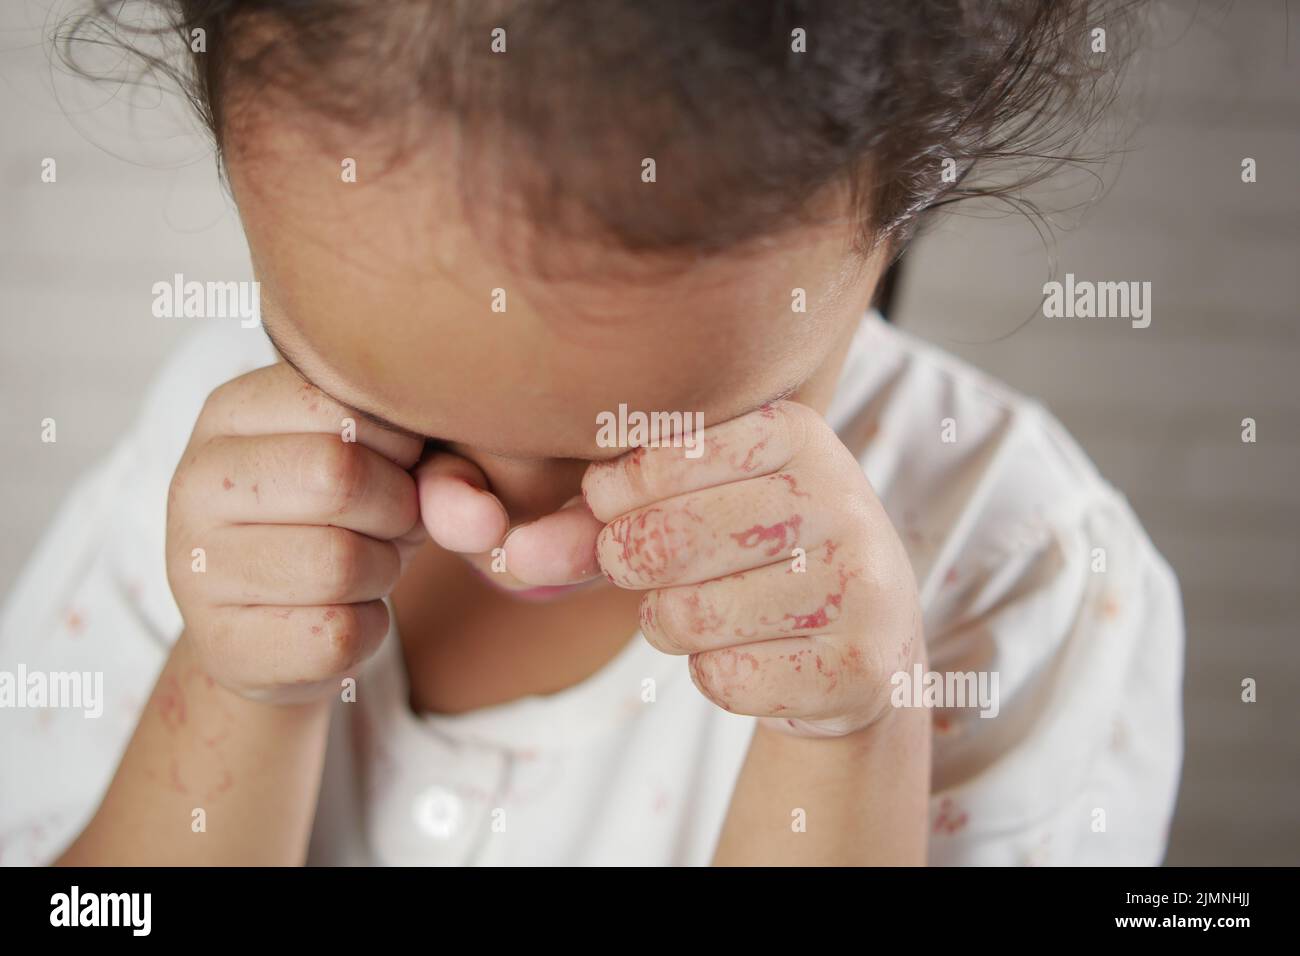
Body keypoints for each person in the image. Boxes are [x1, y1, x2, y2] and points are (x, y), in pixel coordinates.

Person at [0, 0, 1181, 865]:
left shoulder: (1020, 568)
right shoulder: (223, 477)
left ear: (908, 184)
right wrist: (236, 684)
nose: (506, 518)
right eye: (375, 398)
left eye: (647, 432)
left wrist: (850, 741)